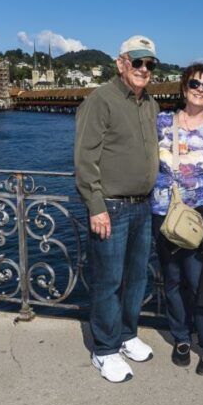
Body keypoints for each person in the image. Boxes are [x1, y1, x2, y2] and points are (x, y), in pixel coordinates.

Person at [74, 35, 160, 383]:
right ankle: (105, 349)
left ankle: (126, 334)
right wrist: (95, 205)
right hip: (111, 206)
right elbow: (85, 158)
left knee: (137, 277)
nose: (143, 69)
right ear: (121, 63)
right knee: (108, 280)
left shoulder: (150, 103)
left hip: (142, 205)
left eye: (149, 64)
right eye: (137, 62)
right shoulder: (101, 100)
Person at [151, 64, 203, 375]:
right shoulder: (161, 122)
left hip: (199, 217)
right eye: (194, 83)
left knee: (200, 282)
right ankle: (181, 338)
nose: (200, 89)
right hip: (164, 212)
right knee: (172, 280)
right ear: (184, 88)